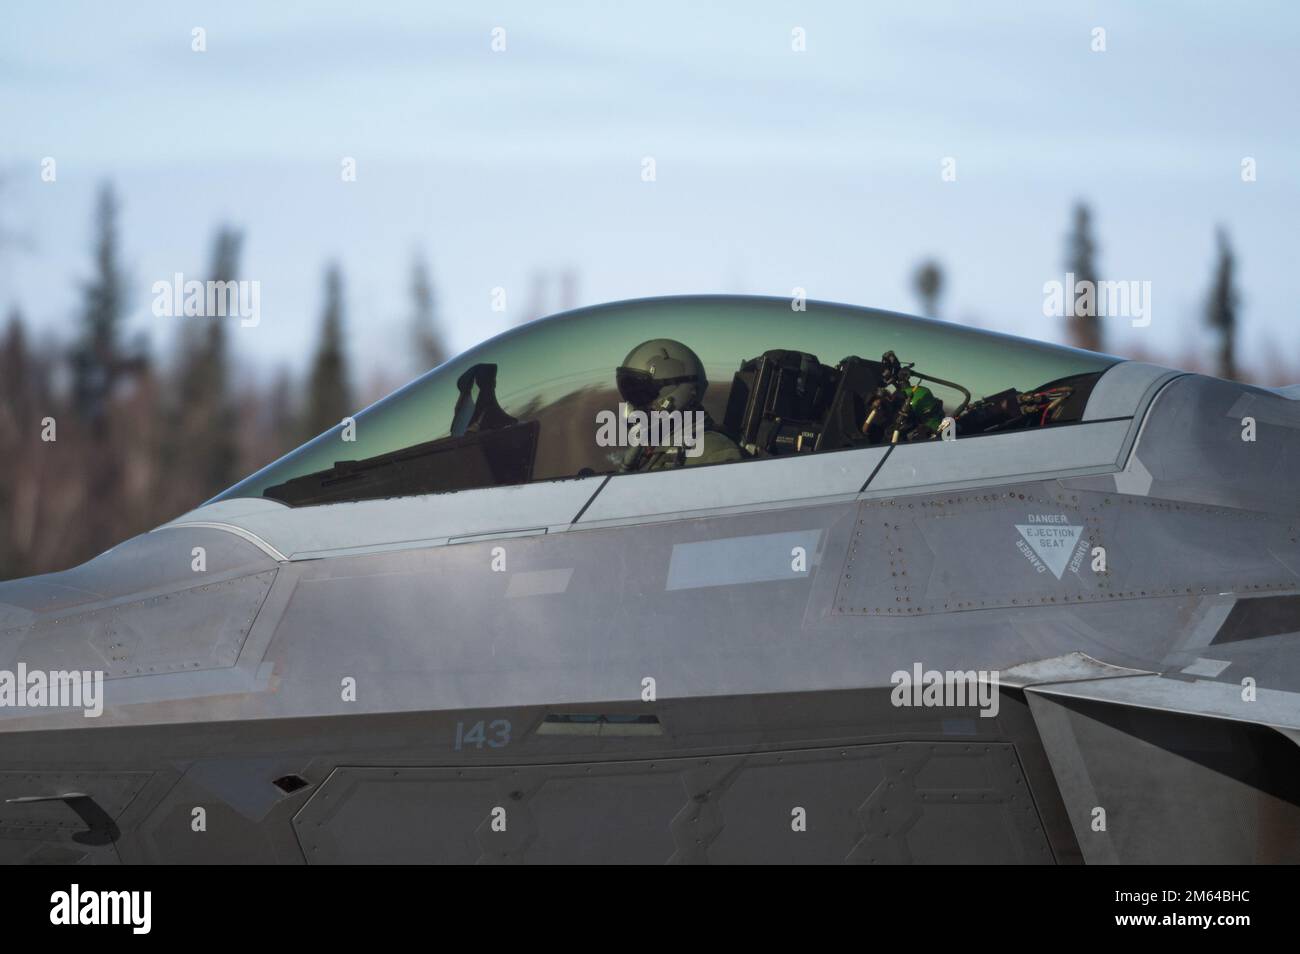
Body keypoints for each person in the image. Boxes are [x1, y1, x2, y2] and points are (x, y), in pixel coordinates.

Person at [614, 338, 743, 471]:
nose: (633, 406)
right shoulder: (657, 445)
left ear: (677, 394)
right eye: (630, 393)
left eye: (641, 394)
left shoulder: (712, 454)